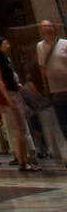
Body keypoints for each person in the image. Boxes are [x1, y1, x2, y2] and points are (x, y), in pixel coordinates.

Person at [0, 36, 38, 172]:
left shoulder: (7, 60)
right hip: (11, 96)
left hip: (15, 95)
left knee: (21, 129)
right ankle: (23, 162)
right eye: (5, 43)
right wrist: (7, 98)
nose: (8, 45)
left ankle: (24, 161)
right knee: (20, 130)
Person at [37, 20, 67, 165]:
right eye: (43, 27)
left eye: (48, 25)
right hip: (56, 92)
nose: (46, 29)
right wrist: (46, 89)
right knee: (63, 123)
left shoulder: (64, 44)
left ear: (54, 28)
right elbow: (43, 69)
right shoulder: (40, 47)